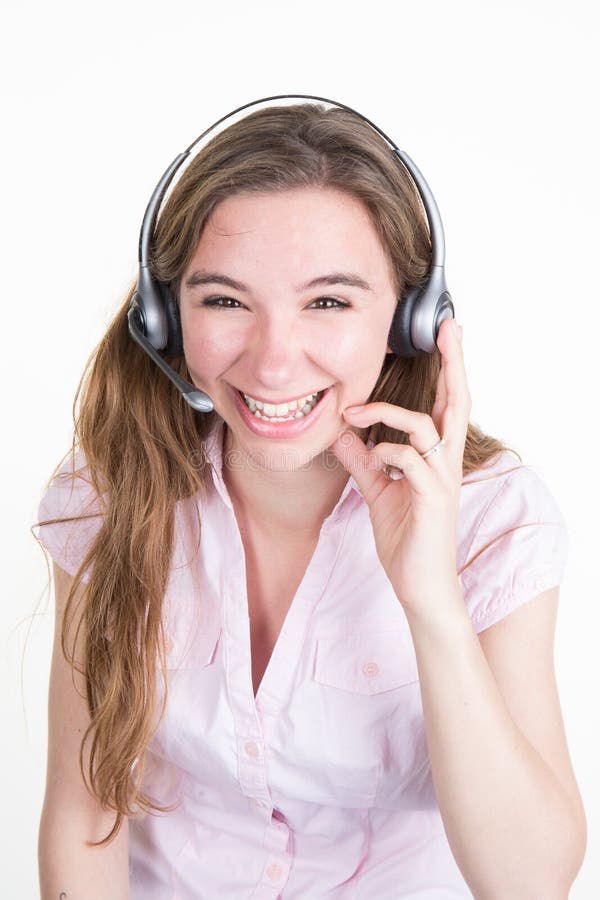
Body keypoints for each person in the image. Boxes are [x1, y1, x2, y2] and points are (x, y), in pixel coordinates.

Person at [36, 99, 586, 899]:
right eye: (224, 300)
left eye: (328, 301)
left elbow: (530, 882)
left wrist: (430, 596)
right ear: (162, 320)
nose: (273, 365)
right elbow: (85, 812)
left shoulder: (496, 519)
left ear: (411, 320)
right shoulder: (109, 491)